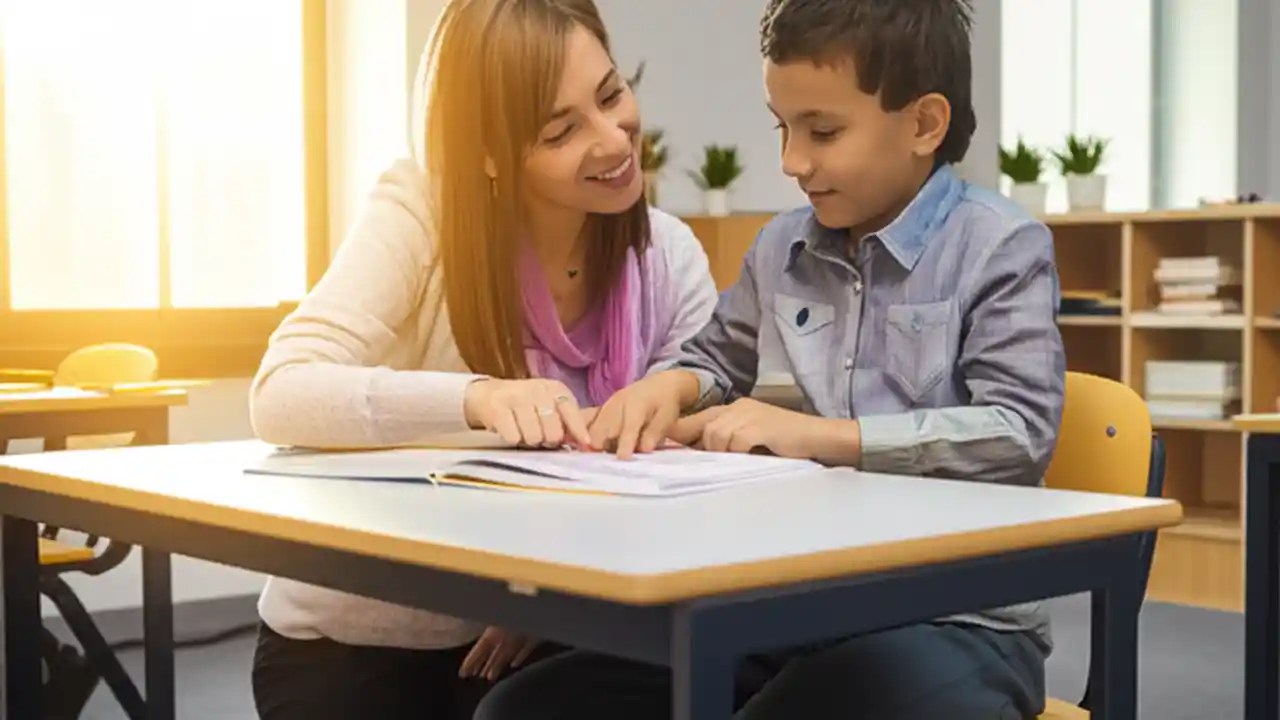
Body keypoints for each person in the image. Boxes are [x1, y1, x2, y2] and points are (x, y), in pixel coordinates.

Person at [477, 0, 1066, 718]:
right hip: (796, 611)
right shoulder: (781, 247)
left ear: (923, 124)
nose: (791, 161)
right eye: (782, 128)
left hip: (958, 621)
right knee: (526, 709)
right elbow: (715, 359)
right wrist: (672, 387)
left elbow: (1018, 433)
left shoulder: (1001, 247)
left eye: (822, 132)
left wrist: (819, 438)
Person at [246, 0, 718, 717]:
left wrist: (546, 591)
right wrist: (478, 399)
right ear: (490, 154)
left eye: (611, 94)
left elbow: (698, 436)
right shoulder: (423, 216)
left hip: (554, 633)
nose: (613, 138)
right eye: (561, 130)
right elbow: (283, 389)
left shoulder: (669, 256)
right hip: (360, 641)